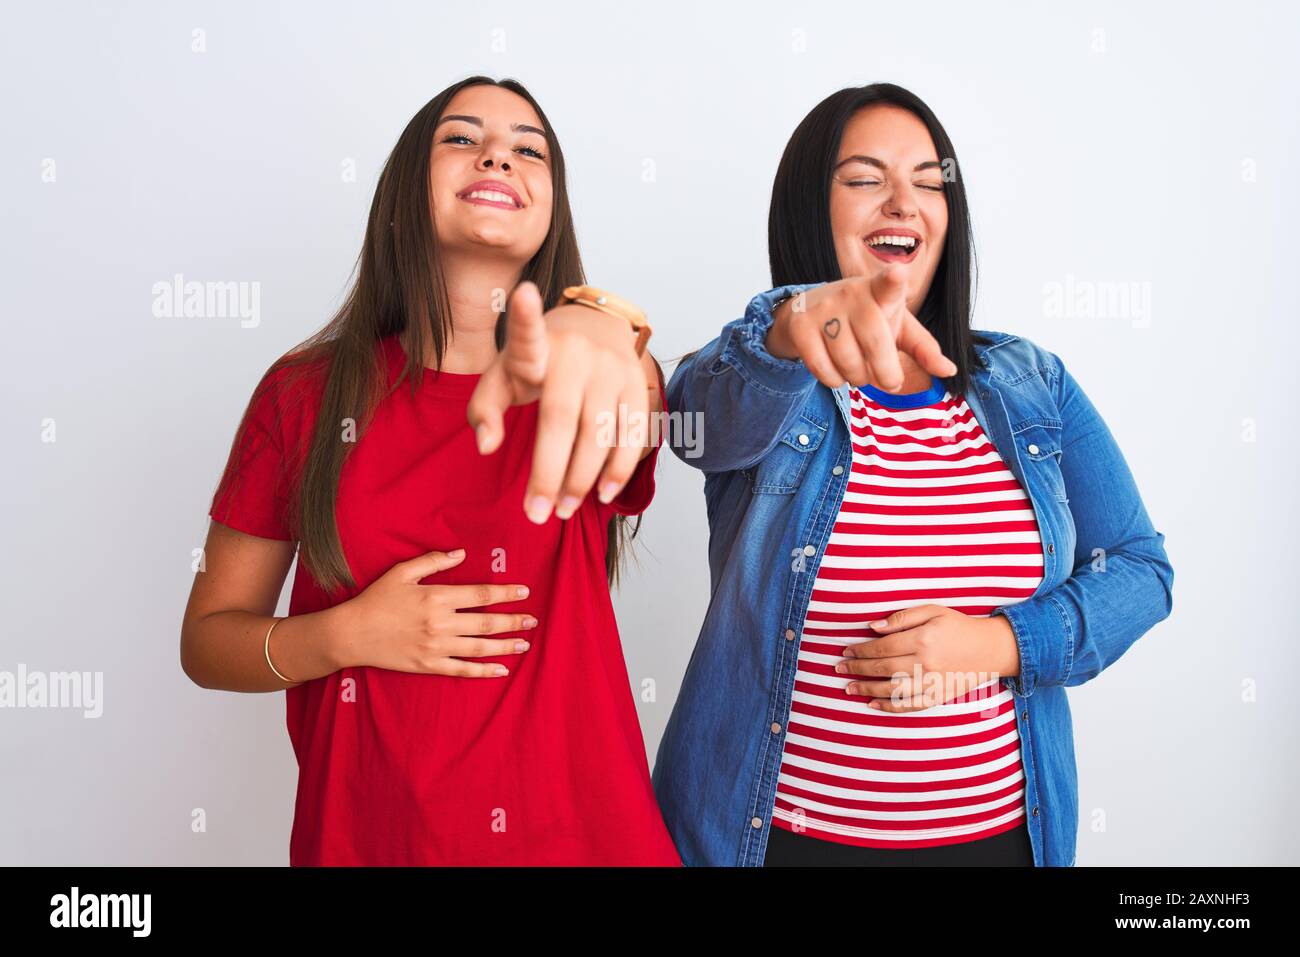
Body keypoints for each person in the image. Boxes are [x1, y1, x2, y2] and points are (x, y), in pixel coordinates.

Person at [651, 83, 1174, 867]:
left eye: (929, 183)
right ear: (808, 208)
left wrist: (997, 643)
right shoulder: (760, 376)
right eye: (866, 178)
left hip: (1002, 844)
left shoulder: (1032, 382)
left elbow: (1140, 569)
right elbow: (692, 418)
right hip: (774, 843)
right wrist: (792, 324)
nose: (903, 201)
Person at [180, 75, 681, 867]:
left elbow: (642, 397)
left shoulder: (592, 379)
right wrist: (344, 635)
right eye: (462, 138)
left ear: (551, 214)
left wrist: (606, 324)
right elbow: (208, 642)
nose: (497, 156)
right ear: (403, 196)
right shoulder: (302, 395)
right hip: (367, 843)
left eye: (529, 151)